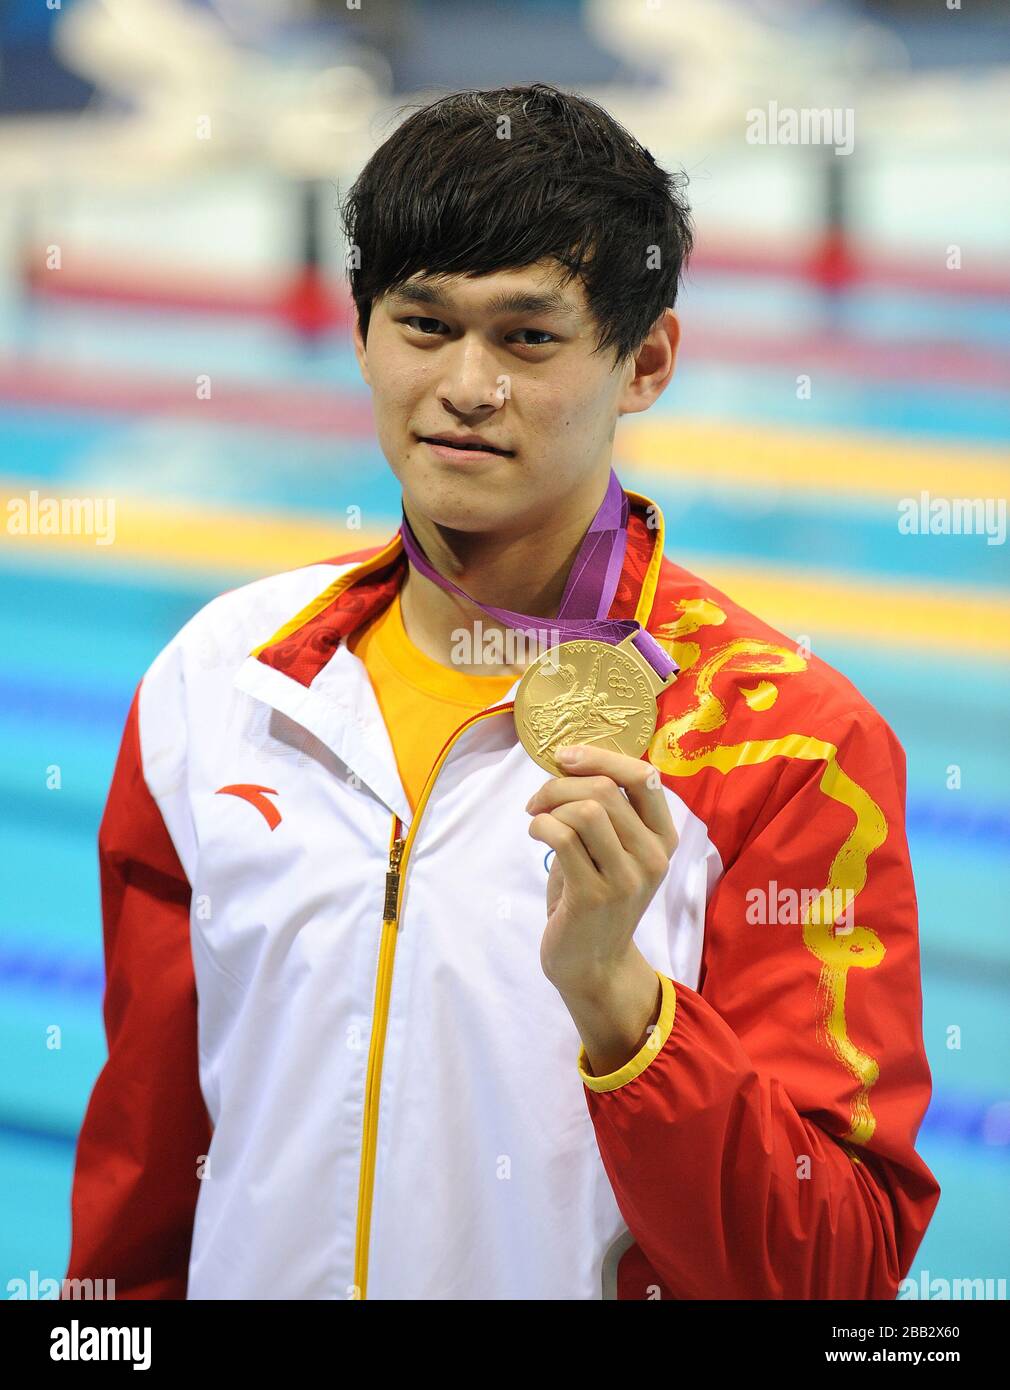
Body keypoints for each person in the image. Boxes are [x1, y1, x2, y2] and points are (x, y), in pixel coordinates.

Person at [64, 82, 939, 1300]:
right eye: (423, 324)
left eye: (527, 338)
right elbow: (145, 1174)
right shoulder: (218, 683)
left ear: (644, 362)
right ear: (359, 330)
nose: (465, 386)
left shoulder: (783, 748)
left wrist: (619, 1005)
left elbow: (837, 1268)